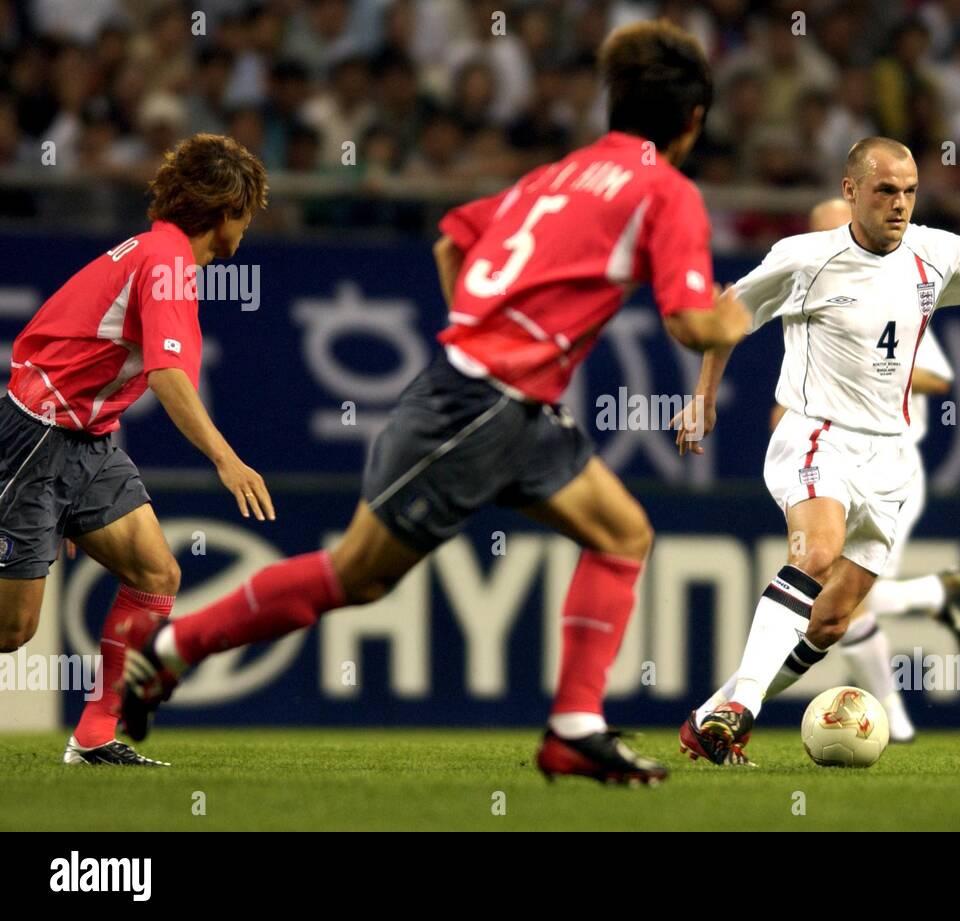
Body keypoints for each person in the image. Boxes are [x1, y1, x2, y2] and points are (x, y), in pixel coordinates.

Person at [117, 20, 751, 786]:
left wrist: (478, 335)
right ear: (693, 122)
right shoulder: (667, 191)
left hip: (500, 400)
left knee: (622, 532)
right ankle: (171, 650)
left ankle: (574, 728)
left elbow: (452, 239)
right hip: (478, 406)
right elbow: (689, 323)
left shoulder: (559, 173)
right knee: (357, 575)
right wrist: (734, 319)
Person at [675, 136, 960, 765]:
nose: (900, 204)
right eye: (885, 191)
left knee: (834, 620)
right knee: (817, 552)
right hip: (817, 433)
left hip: (889, 458)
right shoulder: (806, 258)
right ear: (850, 192)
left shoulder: (936, 253)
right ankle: (745, 707)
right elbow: (727, 314)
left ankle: (710, 719)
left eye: (909, 191)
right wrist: (703, 398)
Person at [0, 134, 272, 766]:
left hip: (83, 439)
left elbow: (75, 347)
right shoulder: (169, 262)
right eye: (248, 211)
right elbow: (169, 377)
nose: (250, 226)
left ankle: (94, 738)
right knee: (12, 632)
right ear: (225, 209)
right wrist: (226, 459)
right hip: (38, 437)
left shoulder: (156, 253)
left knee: (157, 575)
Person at [752, 197, 960, 745]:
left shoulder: (901, 286)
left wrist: (871, 368)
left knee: (846, 597)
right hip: (832, 451)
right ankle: (895, 707)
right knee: (831, 591)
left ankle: (896, 701)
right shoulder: (808, 284)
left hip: (889, 460)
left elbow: (940, 379)